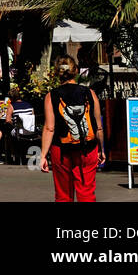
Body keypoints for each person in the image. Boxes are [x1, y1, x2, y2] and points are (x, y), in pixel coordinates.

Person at [40, 55, 102, 202]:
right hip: (88, 148)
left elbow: (49, 128)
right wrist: (101, 149)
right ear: (76, 71)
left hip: (61, 149)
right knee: (86, 192)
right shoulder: (90, 94)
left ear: (56, 74)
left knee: (63, 194)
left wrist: (43, 155)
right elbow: (98, 126)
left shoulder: (51, 96)